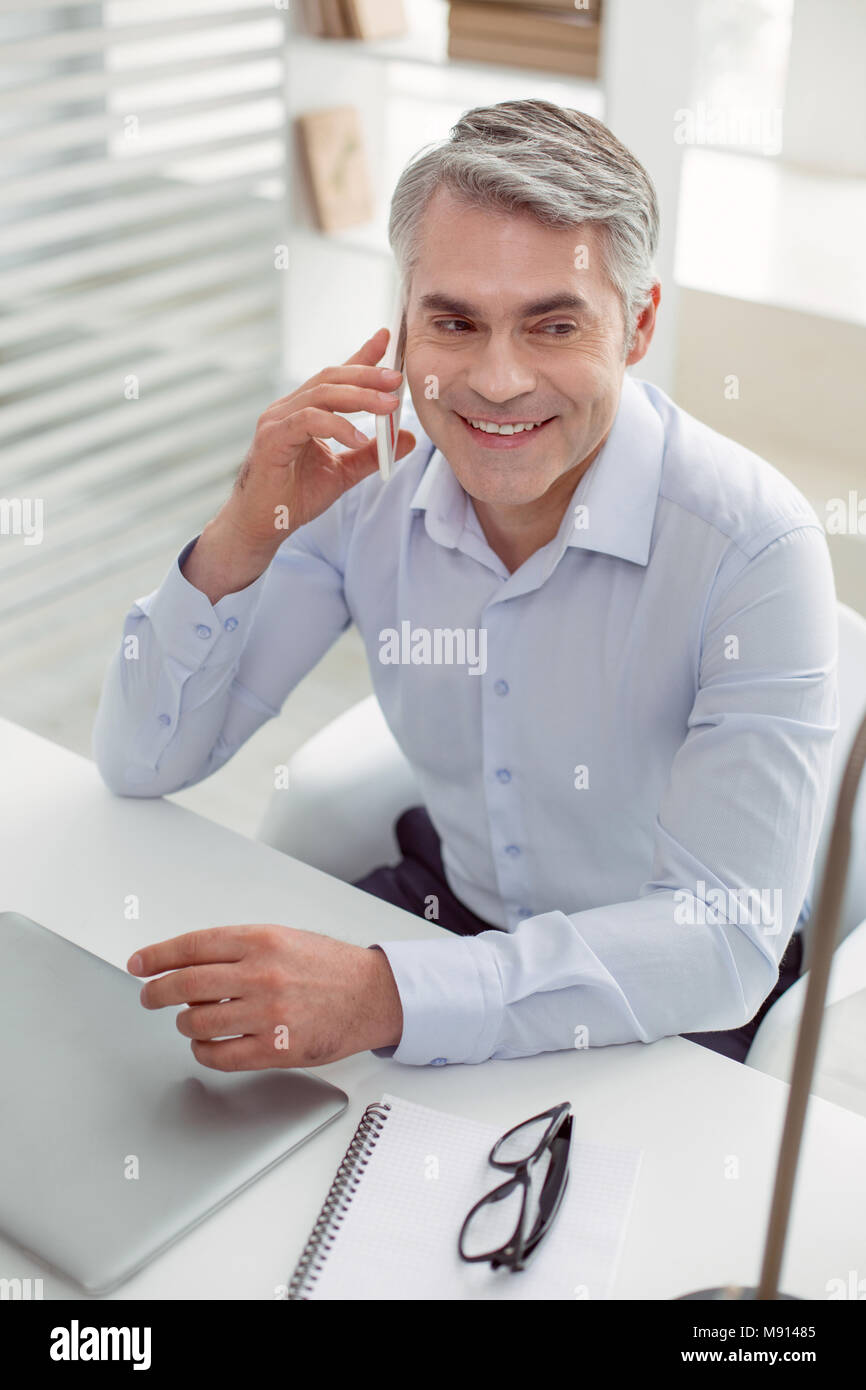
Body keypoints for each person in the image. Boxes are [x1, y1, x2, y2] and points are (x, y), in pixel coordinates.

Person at [93, 100, 837, 1073]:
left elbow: (723, 942)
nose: (494, 380)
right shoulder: (359, 489)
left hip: (665, 994)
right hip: (446, 912)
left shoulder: (752, 545)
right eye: (453, 322)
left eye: (552, 324)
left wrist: (384, 996)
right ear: (402, 325)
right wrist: (246, 523)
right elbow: (139, 761)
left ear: (638, 323)